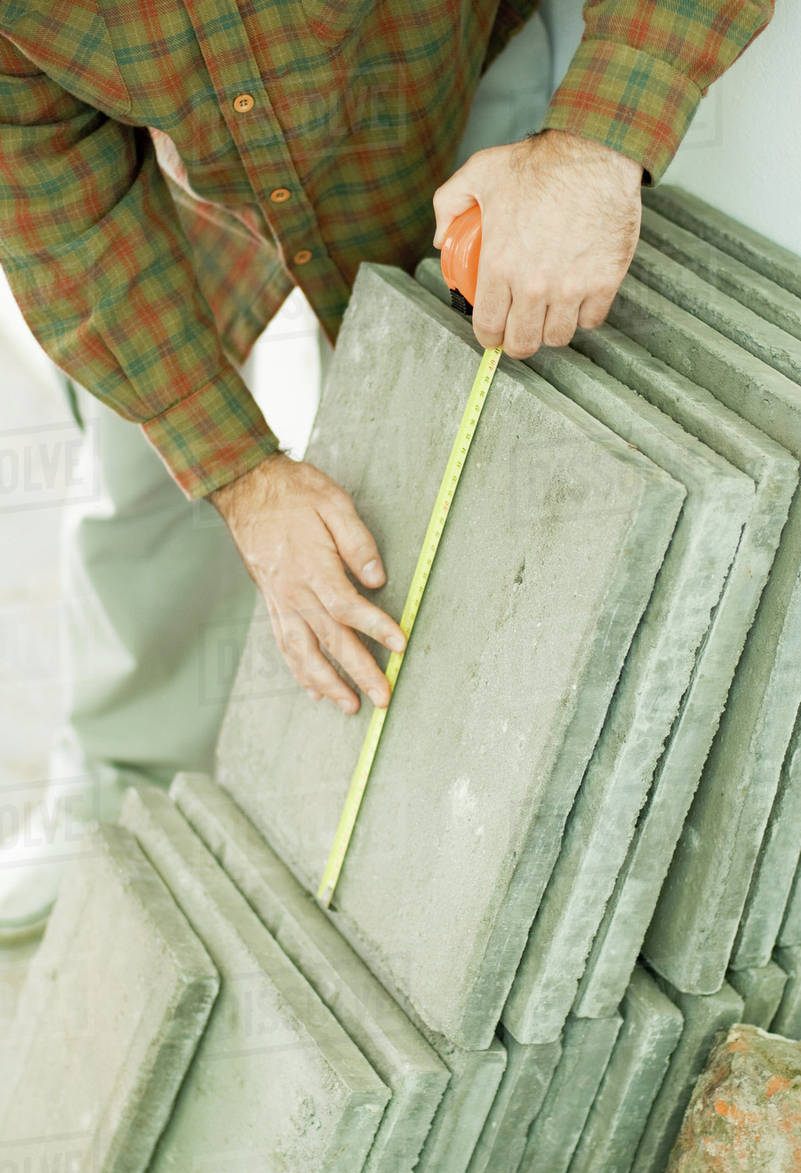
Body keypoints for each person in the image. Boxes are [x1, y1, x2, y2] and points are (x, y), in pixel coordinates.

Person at [0, 0, 774, 938]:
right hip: (192, 174)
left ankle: (461, 834)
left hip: (452, 107)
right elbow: (57, 213)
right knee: (147, 479)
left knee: (477, 465)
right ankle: (117, 804)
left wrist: (592, 141)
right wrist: (238, 473)